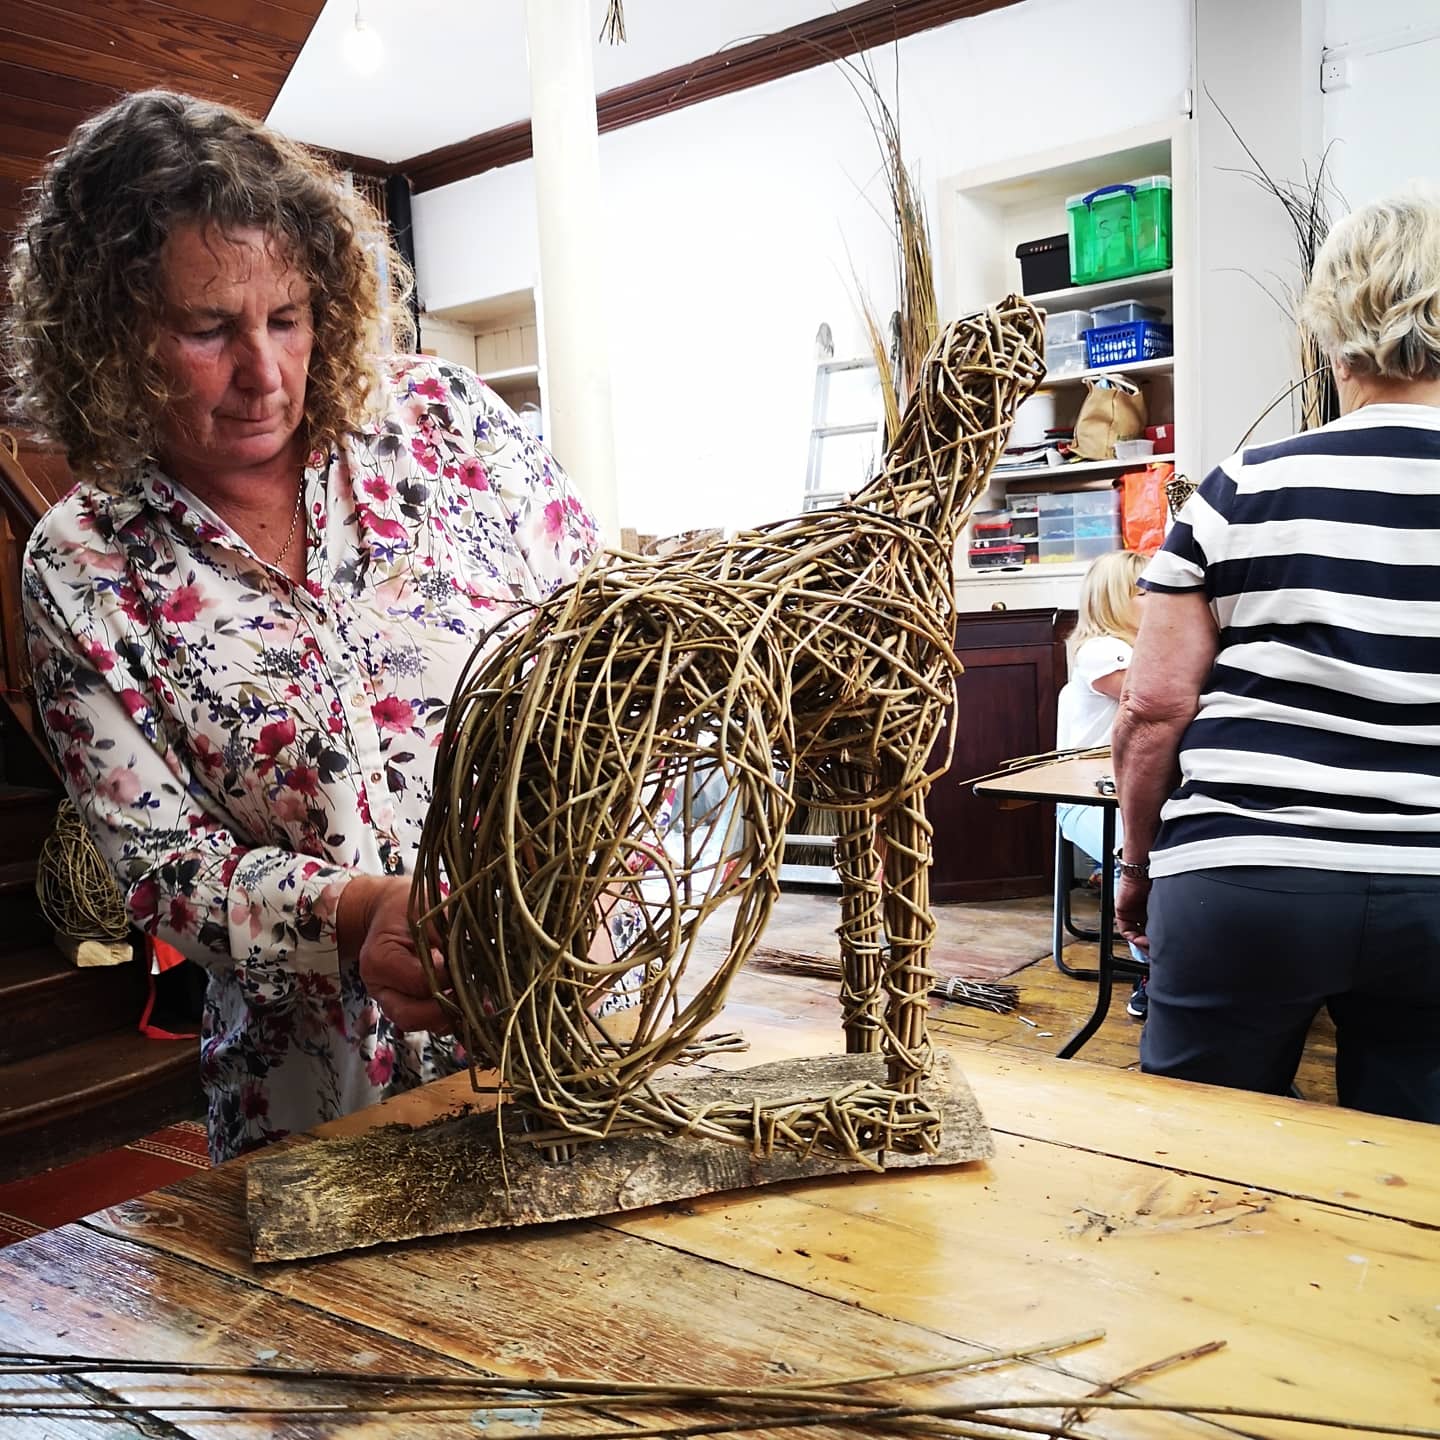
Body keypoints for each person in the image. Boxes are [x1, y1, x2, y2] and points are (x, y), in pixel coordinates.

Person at [6, 91, 601, 1161]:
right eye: (207, 330)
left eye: (286, 317)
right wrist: (360, 916)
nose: (265, 374)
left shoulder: (449, 426)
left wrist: (600, 872)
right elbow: (160, 865)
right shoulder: (82, 562)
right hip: (317, 1101)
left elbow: (611, 662)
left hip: (574, 1027)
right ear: (109, 335)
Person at [1113, 191, 1440, 1123]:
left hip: (1246, 876)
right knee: (1421, 1173)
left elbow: (1154, 710)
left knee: (1204, 1163)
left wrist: (1138, 865)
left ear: (1331, 326)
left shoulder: (1240, 489)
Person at [1054, 548, 1149, 1017]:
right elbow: (1150, 696)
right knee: (1136, 856)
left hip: (1120, 796)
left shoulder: (1127, 649)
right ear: (1116, 600)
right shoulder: (1104, 650)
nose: (1157, 599)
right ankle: (1154, 969)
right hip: (1085, 799)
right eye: (1145, 591)